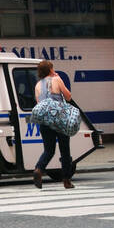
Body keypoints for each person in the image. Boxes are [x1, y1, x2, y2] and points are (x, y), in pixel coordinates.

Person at [33, 60, 75, 190]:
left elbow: (38, 102)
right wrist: (59, 78)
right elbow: (68, 97)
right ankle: (66, 180)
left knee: (49, 150)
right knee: (65, 150)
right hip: (59, 119)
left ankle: (39, 169)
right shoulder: (57, 80)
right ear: (51, 69)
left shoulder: (38, 85)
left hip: (44, 121)